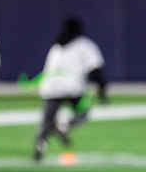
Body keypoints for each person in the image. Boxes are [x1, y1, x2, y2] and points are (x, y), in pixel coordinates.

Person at [34, 16, 108, 162]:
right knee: (83, 113)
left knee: (47, 122)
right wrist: (102, 90)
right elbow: (95, 70)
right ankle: (64, 125)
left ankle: (40, 145)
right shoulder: (84, 45)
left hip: (50, 88)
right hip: (72, 88)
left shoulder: (56, 46)